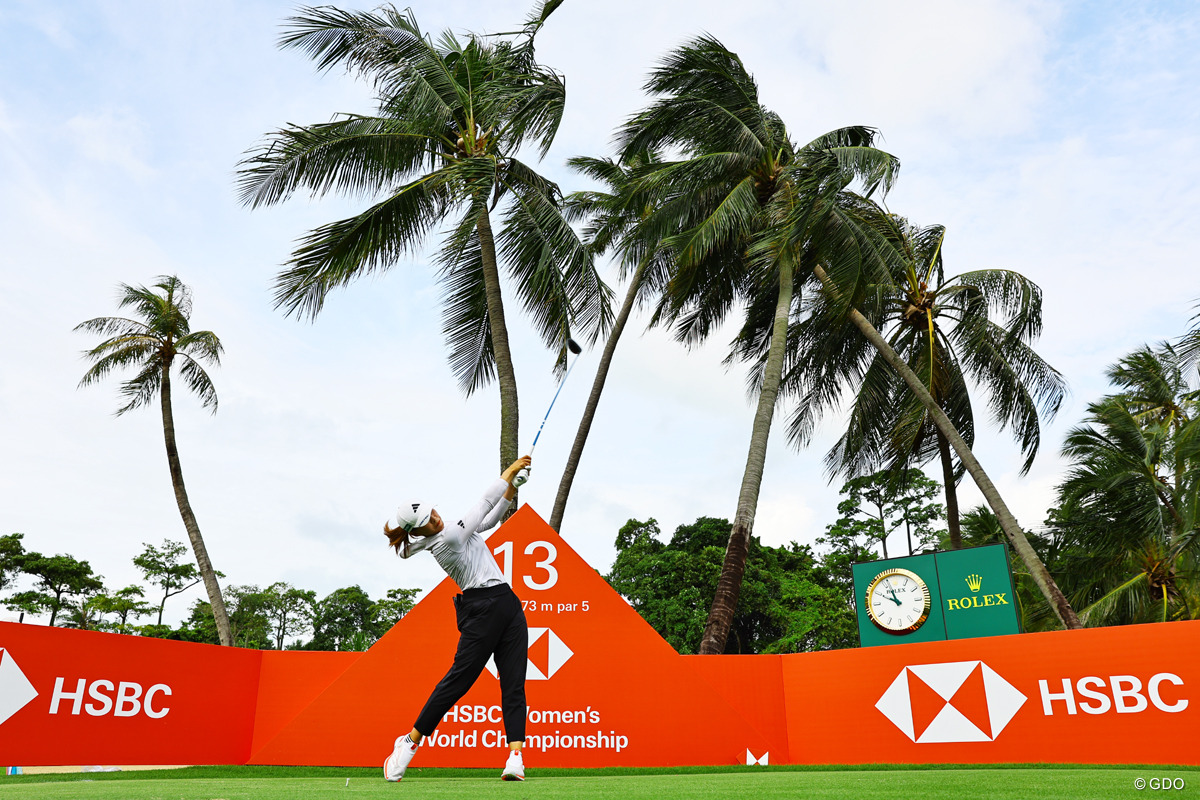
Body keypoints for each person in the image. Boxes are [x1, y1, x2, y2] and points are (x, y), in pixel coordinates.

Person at [382, 455, 533, 783]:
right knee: (458, 682)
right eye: (427, 519)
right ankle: (408, 744)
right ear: (418, 529)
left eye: (432, 512)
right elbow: (482, 503)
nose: (435, 518)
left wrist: (511, 492)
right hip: (482, 609)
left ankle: (515, 758)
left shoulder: (448, 533)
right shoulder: (448, 538)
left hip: (507, 604)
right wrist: (510, 471)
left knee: (513, 685)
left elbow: (488, 522)